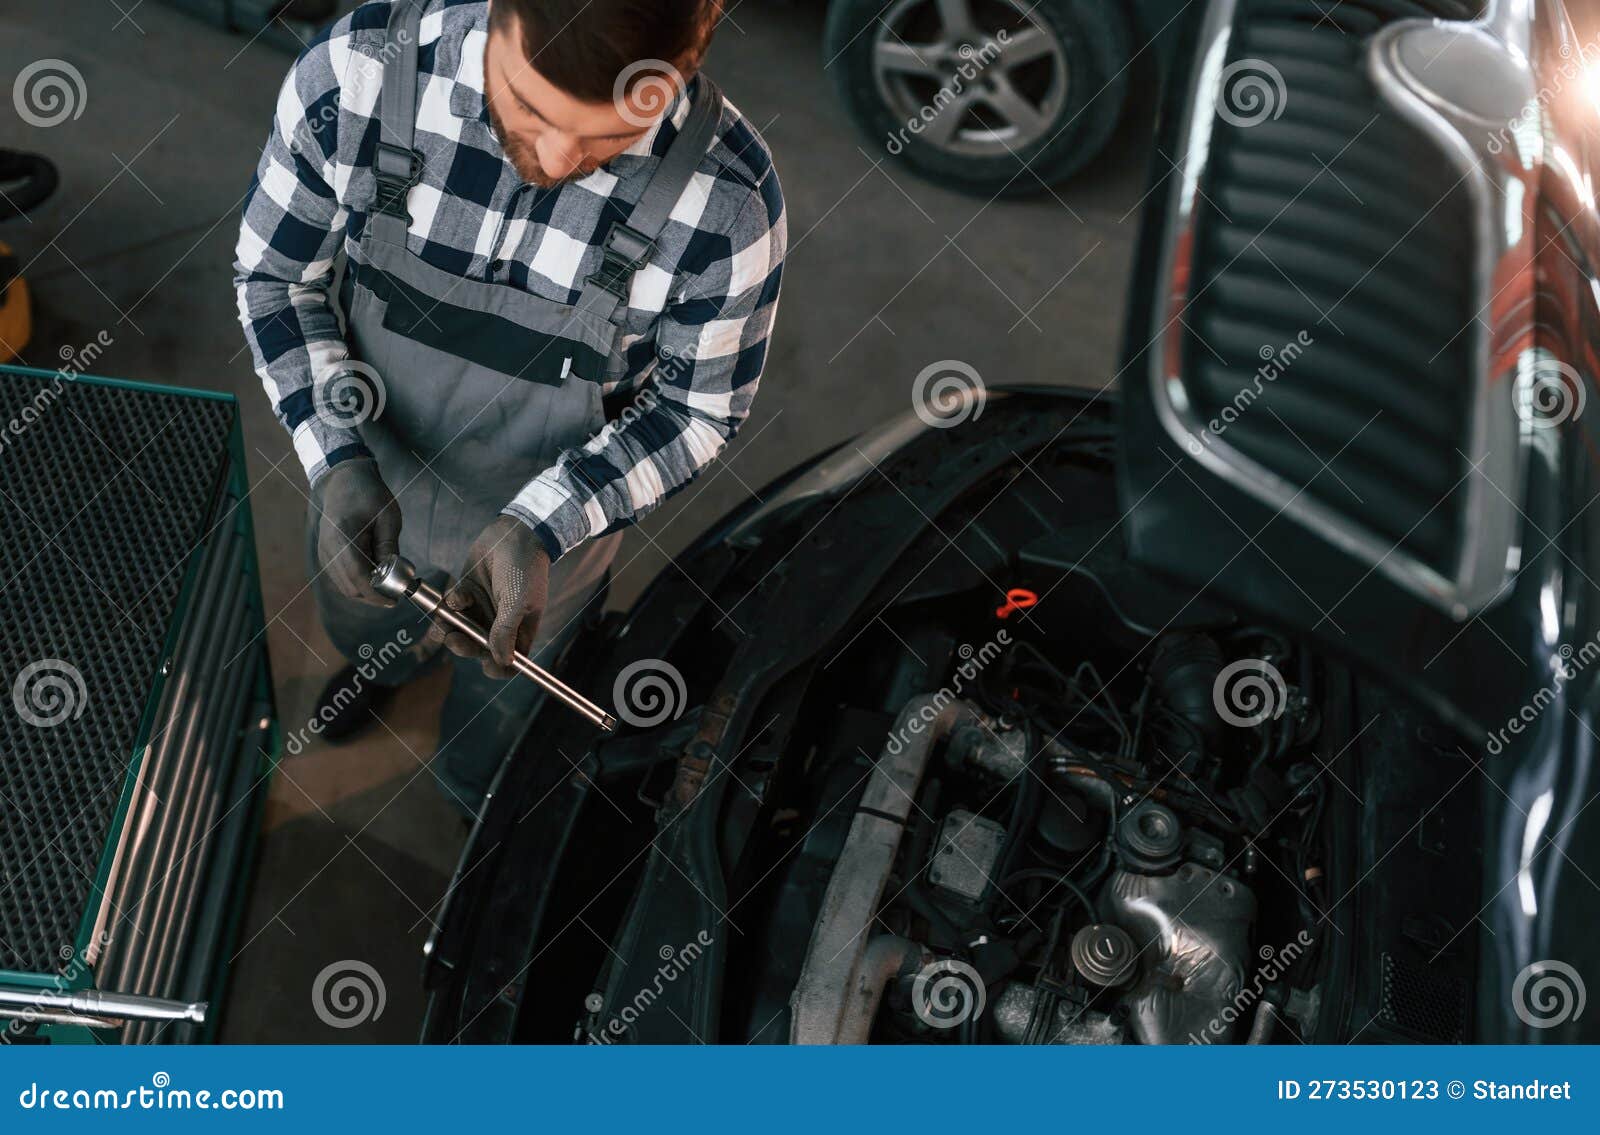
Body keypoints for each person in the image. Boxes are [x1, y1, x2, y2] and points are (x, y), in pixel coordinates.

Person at [233, 0, 785, 814]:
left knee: (501, 714)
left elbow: (697, 411)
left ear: (694, 54)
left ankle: (473, 794)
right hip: (366, 494)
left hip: (549, 558)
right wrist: (336, 451)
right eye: (528, 107)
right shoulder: (354, 82)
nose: (561, 158)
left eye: (608, 137)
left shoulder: (728, 206)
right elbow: (277, 280)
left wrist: (544, 525)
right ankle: (376, 675)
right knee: (365, 632)